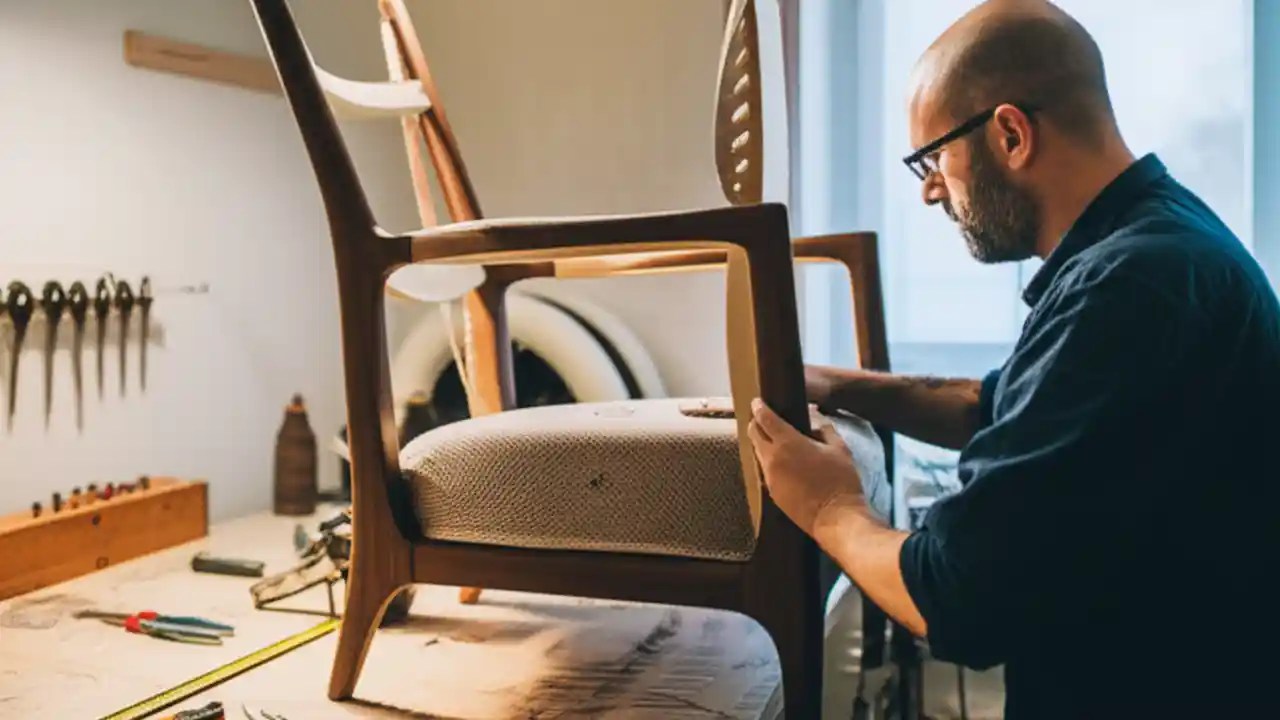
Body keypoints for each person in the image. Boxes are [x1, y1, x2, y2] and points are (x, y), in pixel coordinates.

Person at [748, 0, 1280, 716]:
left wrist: (830, 507)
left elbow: (958, 597)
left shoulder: (1128, 286)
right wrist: (835, 384)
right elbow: (999, 407)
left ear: (1009, 133)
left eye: (932, 158)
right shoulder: (1154, 244)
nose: (933, 188)